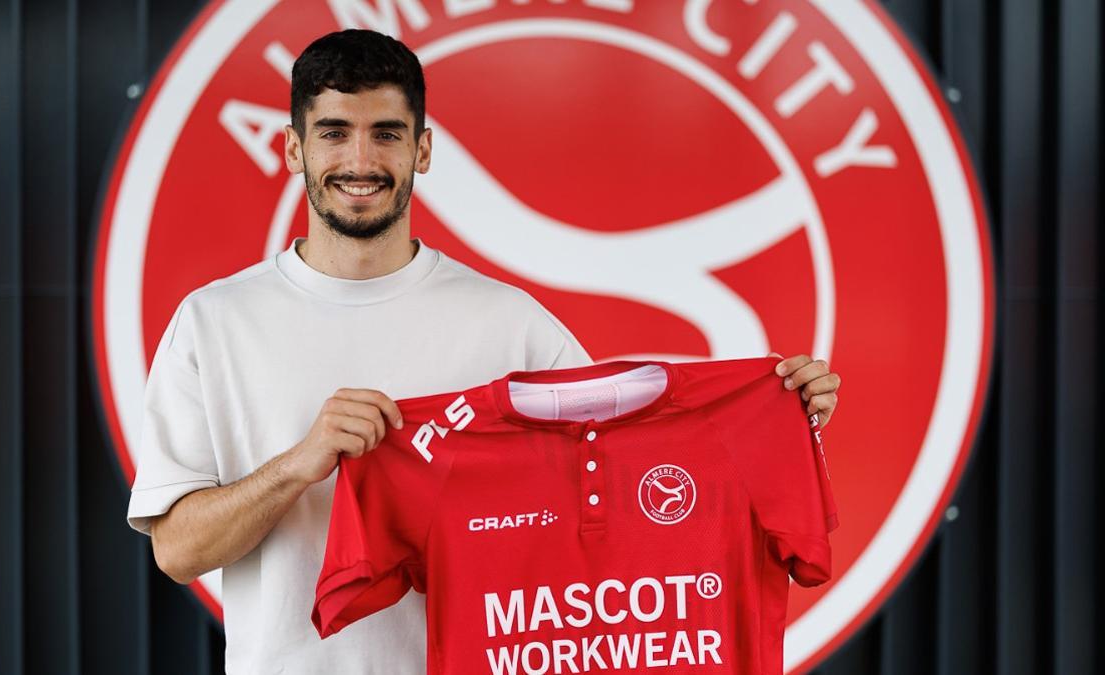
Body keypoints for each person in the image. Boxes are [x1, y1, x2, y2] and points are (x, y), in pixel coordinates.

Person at [126, 29, 841, 674]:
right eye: (334, 132)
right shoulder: (214, 322)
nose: (361, 159)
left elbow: (628, 481)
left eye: (386, 133)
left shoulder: (508, 322)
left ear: (423, 148)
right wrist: (297, 465)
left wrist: (779, 418)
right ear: (293, 148)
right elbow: (178, 550)